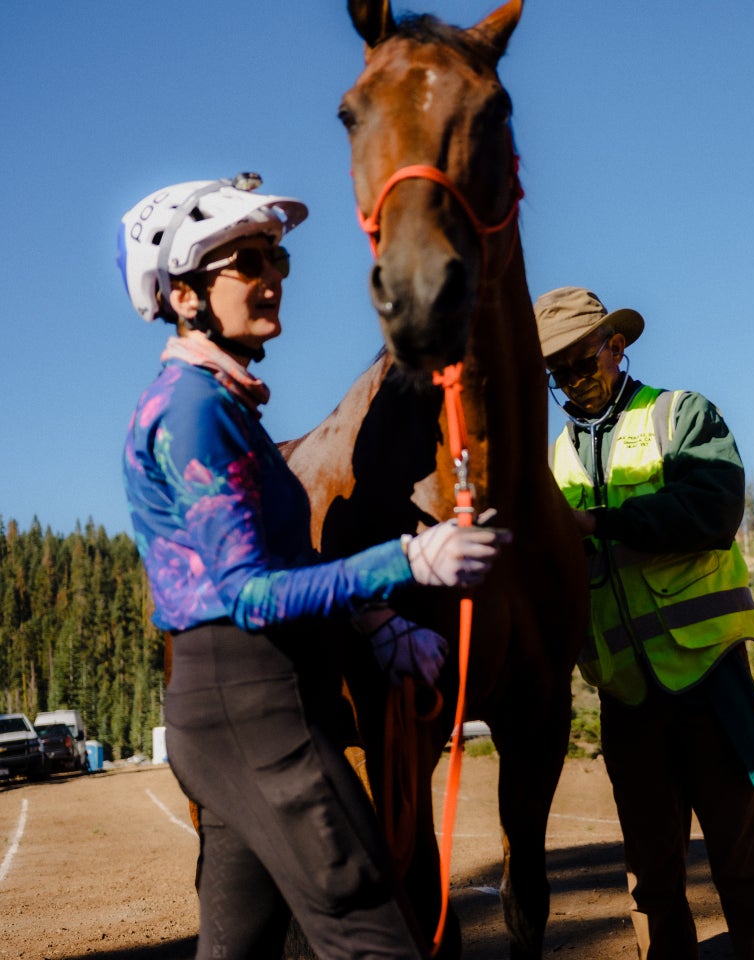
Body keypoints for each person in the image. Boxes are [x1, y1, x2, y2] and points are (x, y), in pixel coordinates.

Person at [117, 173, 508, 960]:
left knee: (242, 948)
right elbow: (251, 595)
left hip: (226, 710)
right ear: (186, 295)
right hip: (258, 708)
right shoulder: (198, 411)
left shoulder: (217, 403)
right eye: (248, 261)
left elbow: (287, 556)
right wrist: (411, 560)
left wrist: (376, 622)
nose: (272, 278)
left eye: (277, 260)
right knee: (375, 936)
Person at [533, 286, 754, 960]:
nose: (567, 380)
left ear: (617, 346)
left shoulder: (679, 415)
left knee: (744, 865)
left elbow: (712, 512)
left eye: (578, 361)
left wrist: (597, 523)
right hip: (625, 698)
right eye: (554, 371)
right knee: (651, 878)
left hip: (710, 680)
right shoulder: (552, 460)